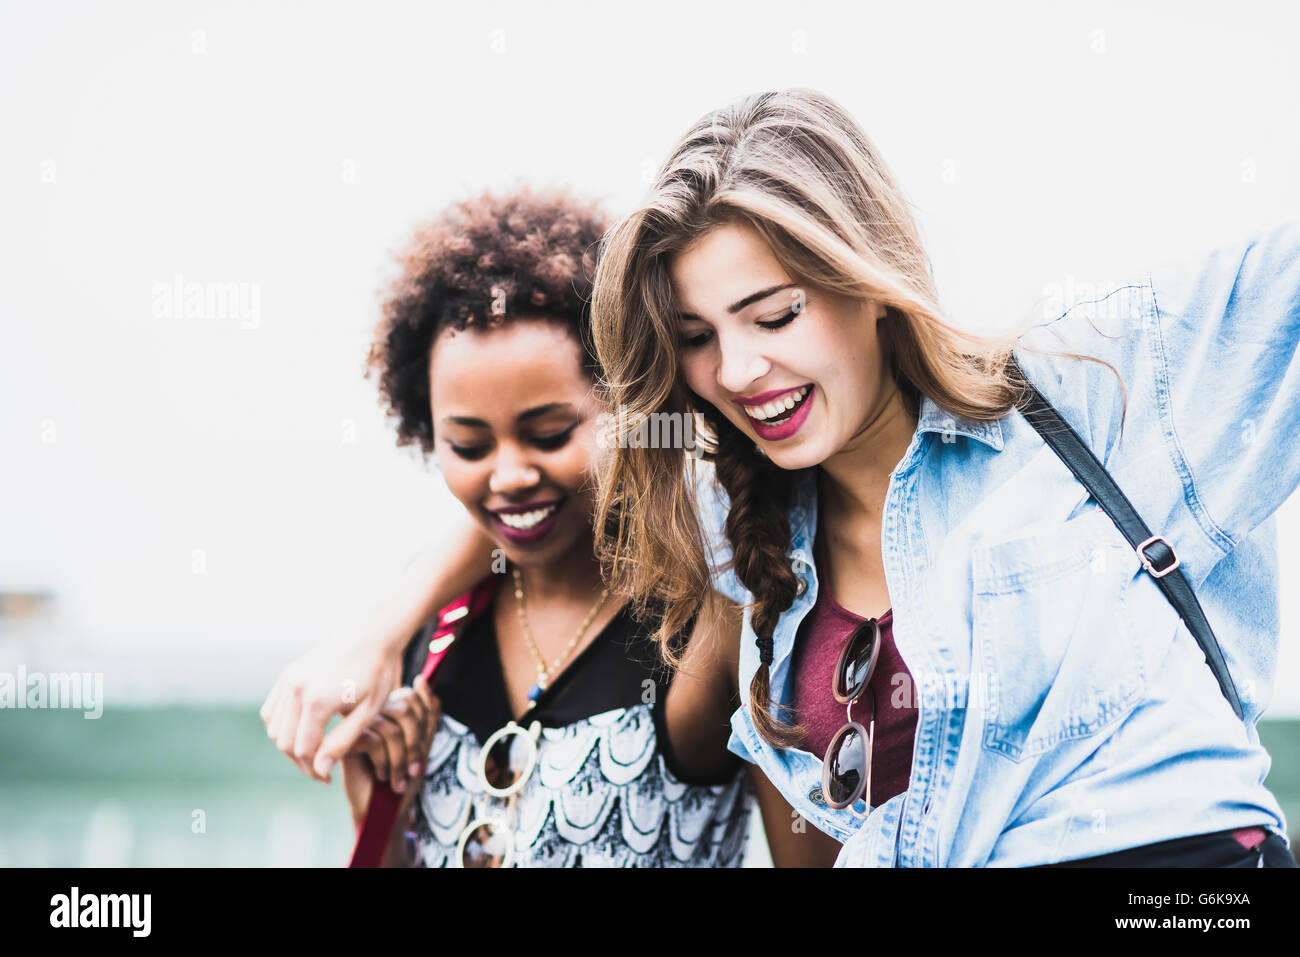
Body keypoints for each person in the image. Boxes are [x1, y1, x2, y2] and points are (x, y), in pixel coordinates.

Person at [265, 90, 1300, 867]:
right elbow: (535, 483)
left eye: (775, 315)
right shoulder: (734, 528)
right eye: (697, 338)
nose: (741, 371)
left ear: (866, 279)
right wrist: (371, 639)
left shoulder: (1100, 387)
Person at [278, 185, 837, 866]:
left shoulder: (709, 623)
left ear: (627, 405)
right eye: (469, 445)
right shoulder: (427, 636)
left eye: (547, 433)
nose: (509, 475)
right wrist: (377, 807)